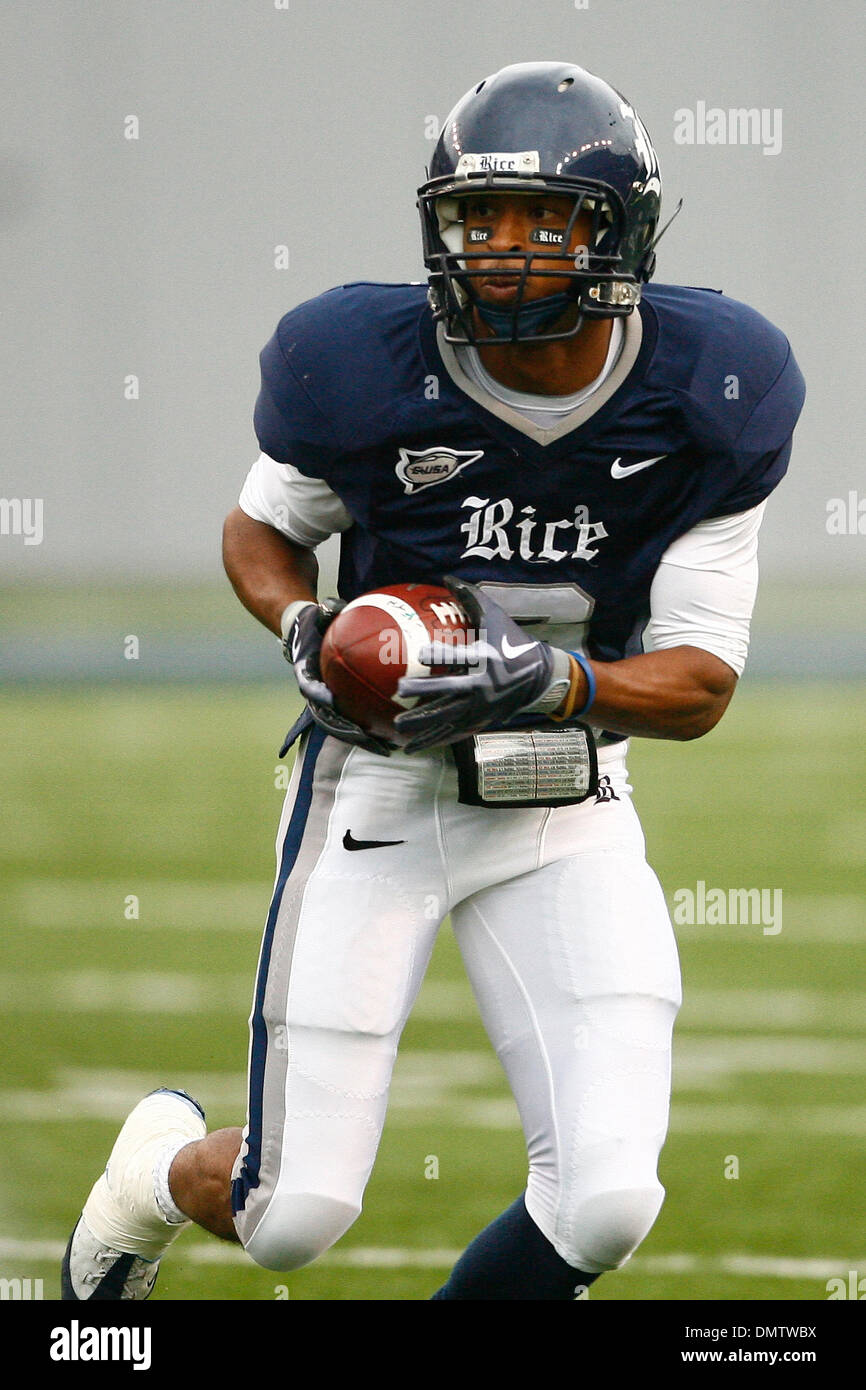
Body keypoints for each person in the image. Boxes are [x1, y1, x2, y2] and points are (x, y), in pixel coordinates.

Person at [62, 59, 804, 1302]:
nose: (502, 252)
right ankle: (147, 1177)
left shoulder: (713, 391)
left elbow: (697, 684)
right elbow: (259, 532)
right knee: (292, 1214)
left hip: (564, 798)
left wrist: (548, 682)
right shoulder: (358, 362)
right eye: (477, 218)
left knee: (607, 1199)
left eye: (542, 221)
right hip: (380, 795)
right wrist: (303, 623)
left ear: (613, 232)